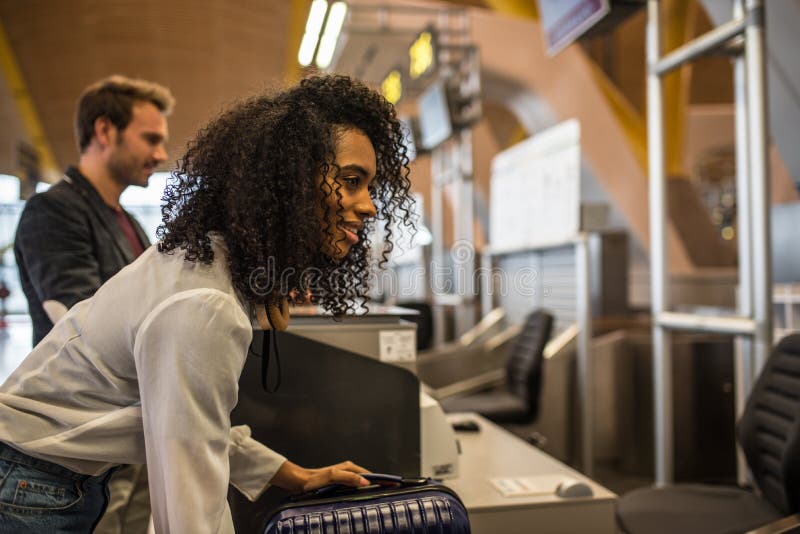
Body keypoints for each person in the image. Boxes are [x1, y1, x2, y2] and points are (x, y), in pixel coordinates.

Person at [0, 74, 415, 533]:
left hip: (38, 478)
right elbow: (190, 507)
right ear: (292, 182)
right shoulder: (204, 305)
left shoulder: (206, 264)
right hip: (27, 489)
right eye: (352, 181)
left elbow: (195, 426)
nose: (370, 206)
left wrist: (293, 476)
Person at [12, 75, 175, 533]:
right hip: (80, 442)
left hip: (131, 428)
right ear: (105, 132)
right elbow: (75, 317)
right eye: (151, 139)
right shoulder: (54, 210)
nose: (161, 154)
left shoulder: (128, 224)